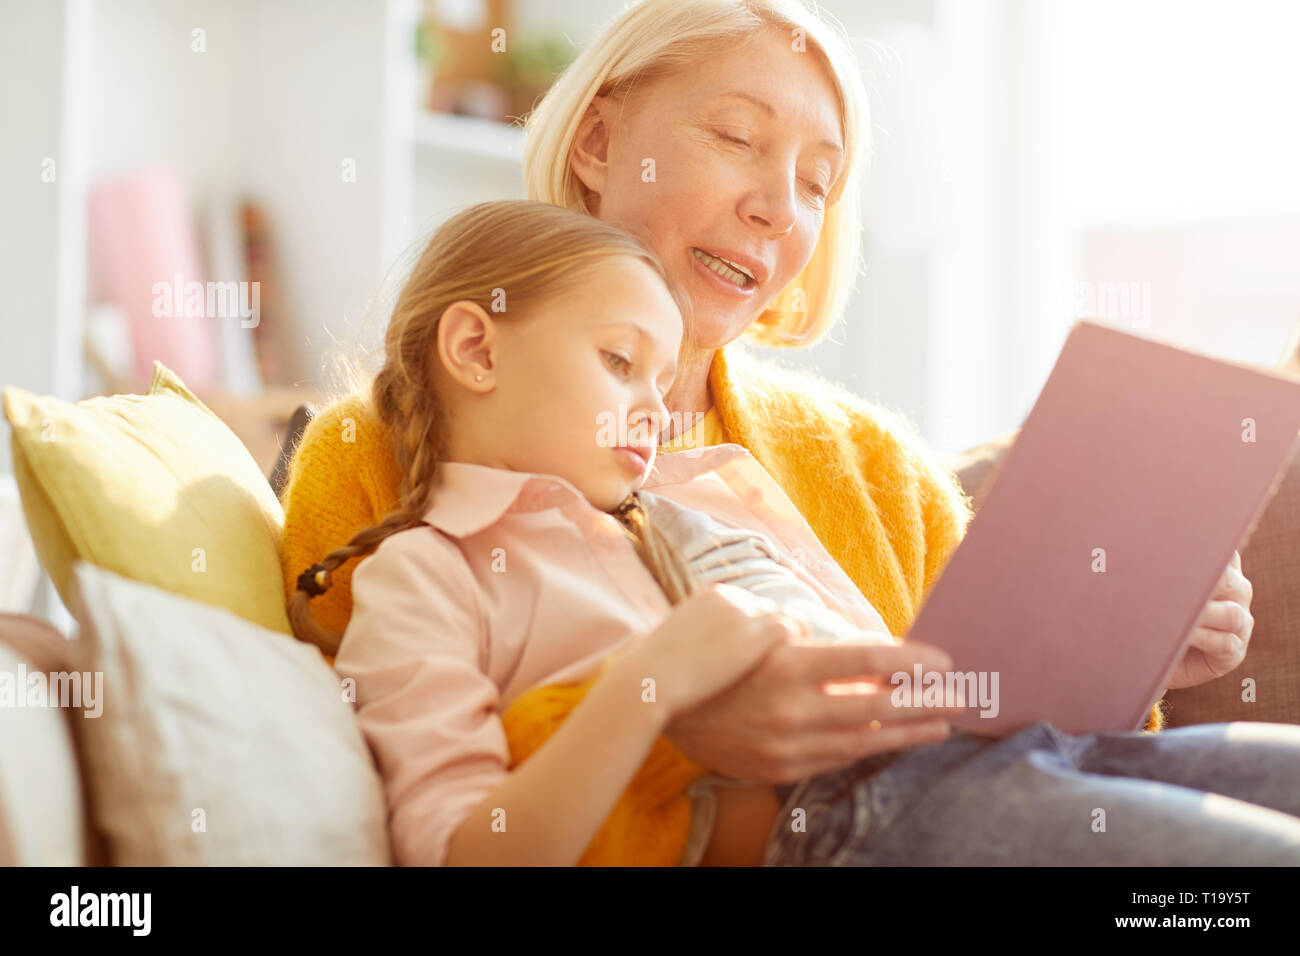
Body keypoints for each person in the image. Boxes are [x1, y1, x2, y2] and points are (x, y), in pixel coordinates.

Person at [280, 1, 1270, 862]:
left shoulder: (872, 467)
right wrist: (679, 720)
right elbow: (377, 772)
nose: (775, 206)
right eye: (737, 137)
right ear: (596, 143)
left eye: (816, 181)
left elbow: (1008, 733)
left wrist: (1127, 643)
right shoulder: (384, 457)